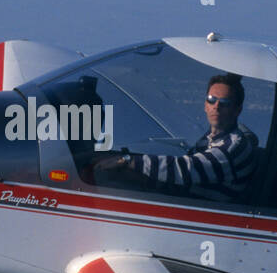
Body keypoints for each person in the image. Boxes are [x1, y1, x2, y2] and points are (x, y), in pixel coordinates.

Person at [93, 73, 259, 199]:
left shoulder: (233, 146)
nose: (216, 107)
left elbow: (186, 169)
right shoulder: (210, 138)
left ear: (238, 110)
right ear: (205, 105)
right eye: (211, 100)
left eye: (224, 103)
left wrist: (127, 161)